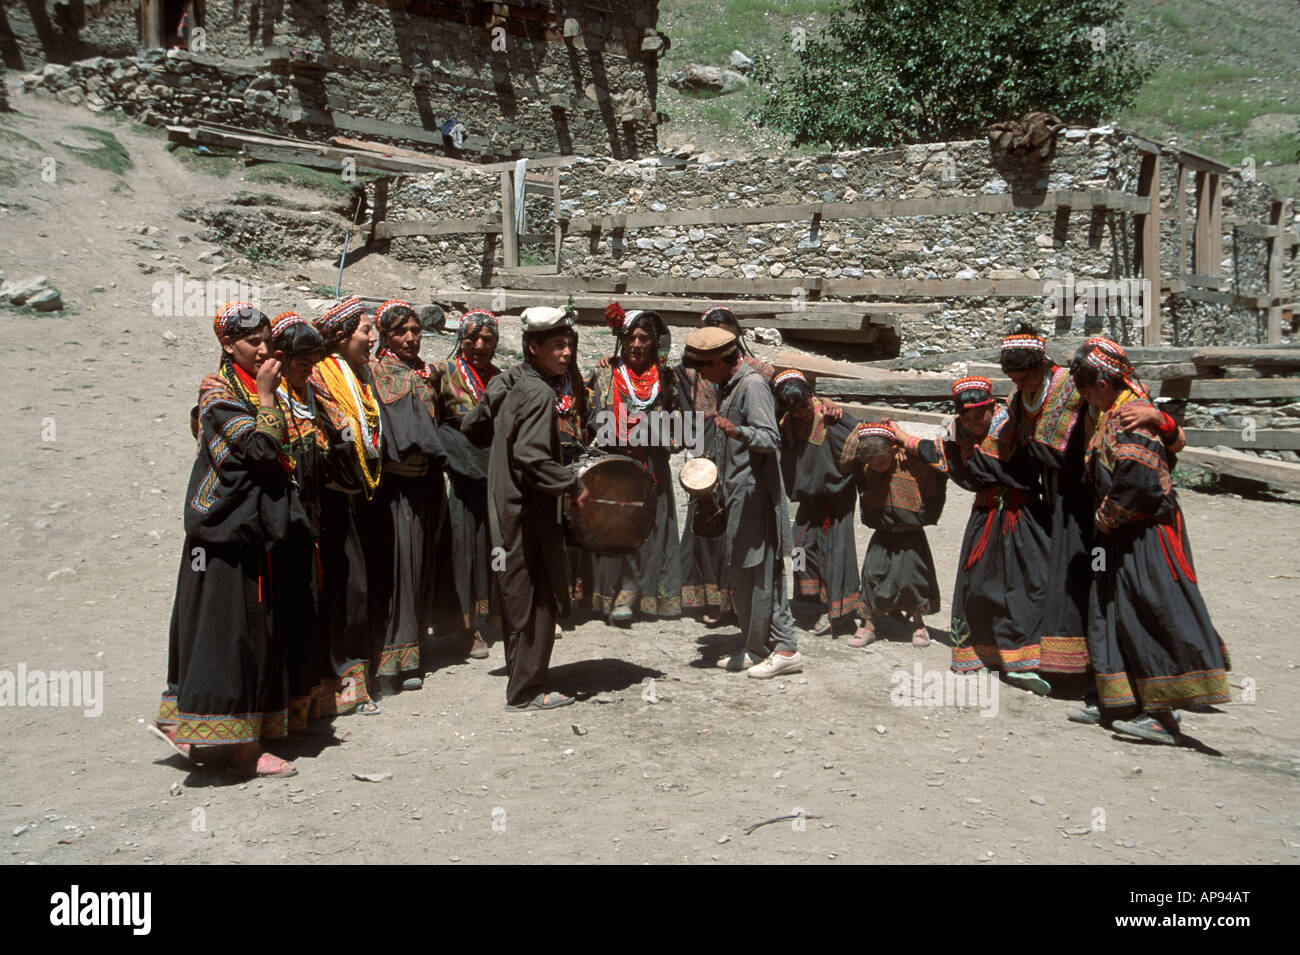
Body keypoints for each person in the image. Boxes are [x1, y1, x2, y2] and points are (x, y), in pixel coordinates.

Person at [151, 302, 307, 777]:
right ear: (227, 345)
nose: (262, 349)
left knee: (251, 631)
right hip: (224, 535)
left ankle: (222, 733)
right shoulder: (219, 392)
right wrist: (265, 399)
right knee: (231, 634)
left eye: (266, 340)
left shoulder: (255, 387)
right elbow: (261, 452)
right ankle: (238, 747)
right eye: (251, 342)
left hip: (252, 533)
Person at [1000, 324, 1185, 676]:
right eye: (1015, 378)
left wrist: (1159, 416)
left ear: (1042, 364)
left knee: (1099, 575)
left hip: (1099, 504)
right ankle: (1081, 663)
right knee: (1074, 574)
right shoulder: (1027, 398)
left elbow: (1162, 444)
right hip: (1065, 497)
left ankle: (1113, 669)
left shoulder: (1092, 392)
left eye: (1025, 377)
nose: (1020, 384)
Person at [1069, 338, 1229, 744]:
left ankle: (1163, 713)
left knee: (1149, 607)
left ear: (1105, 381)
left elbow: (1140, 485)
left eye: (1088, 389)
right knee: (1107, 608)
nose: (1086, 397)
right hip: (1111, 538)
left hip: (1142, 534)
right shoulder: (1113, 408)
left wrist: (1107, 519)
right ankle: (1118, 699)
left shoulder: (1133, 418)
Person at [462, 306, 591, 710]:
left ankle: (524, 681)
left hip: (503, 505)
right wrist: (570, 484)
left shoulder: (508, 380)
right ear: (533, 348)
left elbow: (472, 426)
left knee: (516, 593)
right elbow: (532, 456)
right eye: (557, 347)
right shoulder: (538, 392)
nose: (567, 354)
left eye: (568, 345)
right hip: (527, 512)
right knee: (536, 598)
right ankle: (527, 690)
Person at [889, 377, 1053, 693]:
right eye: (967, 417)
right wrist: (901, 437)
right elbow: (936, 452)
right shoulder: (961, 439)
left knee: (1027, 584)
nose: (975, 423)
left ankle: (1026, 663)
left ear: (993, 407)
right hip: (986, 518)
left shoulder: (1014, 429)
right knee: (979, 586)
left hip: (1024, 519)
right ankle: (981, 654)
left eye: (981, 415)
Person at [685, 326, 801, 679]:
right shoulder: (728, 387)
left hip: (755, 499)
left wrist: (739, 432)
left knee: (763, 574)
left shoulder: (752, 386)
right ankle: (756, 647)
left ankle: (786, 648)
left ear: (721, 360)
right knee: (743, 574)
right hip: (737, 496)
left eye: (705, 367)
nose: (702, 375)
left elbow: (769, 437)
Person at [675, 307, 775, 625]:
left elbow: (782, 411)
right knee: (709, 522)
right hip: (707, 446)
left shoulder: (760, 375)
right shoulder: (693, 371)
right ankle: (713, 600)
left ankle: (740, 606)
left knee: (741, 530)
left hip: (742, 455)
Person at [584, 304, 683, 624]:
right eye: (630, 338)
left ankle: (648, 594)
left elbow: (681, 428)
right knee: (616, 525)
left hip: (651, 466)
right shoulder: (603, 373)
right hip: (615, 466)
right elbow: (587, 419)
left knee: (651, 525)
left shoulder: (667, 379)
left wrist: (661, 434)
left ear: (655, 343)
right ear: (621, 340)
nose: (637, 345)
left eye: (644, 338)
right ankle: (619, 592)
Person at [310, 296, 383, 715]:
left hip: (358, 498)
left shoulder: (359, 375)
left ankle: (352, 683)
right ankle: (332, 687)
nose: (372, 338)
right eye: (365, 330)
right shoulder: (321, 376)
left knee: (356, 589)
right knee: (341, 590)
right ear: (340, 337)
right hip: (330, 503)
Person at [369, 300, 446, 695]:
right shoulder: (373, 374)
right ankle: (389, 657)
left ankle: (413, 652)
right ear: (385, 334)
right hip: (393, 491)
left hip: (426, 487)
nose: (411, 338)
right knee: (398, 570)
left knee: (419, 568)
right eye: (401, 331)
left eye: (415, 330)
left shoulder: (428, 373)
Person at [429, 309, 503, 660]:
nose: (479, 345)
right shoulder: (442, 373)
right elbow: (434, 420)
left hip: (491, 471)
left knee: (493, 546)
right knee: (461, 546)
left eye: (487, 339)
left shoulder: (501, 378)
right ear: (461, 338)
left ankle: (496, 615)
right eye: (472, 338)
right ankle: (465, 627)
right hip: (457, 473)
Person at [269, 312, 330, 733]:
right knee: (288, 609)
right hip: (282, 523)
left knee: (311, 607)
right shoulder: (265, 399)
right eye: (303, 362)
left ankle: (304, 709)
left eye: (313, 362)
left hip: (313, 518)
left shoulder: (312, 394)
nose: (310, 369)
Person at [841, 421, 946, 648]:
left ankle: (918, 624)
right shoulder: (866, 467)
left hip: (911, 534)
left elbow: (942, 459)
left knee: (915, 578)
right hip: (884, 533)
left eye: (883, 462)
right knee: (872, 577)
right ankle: (868, 626)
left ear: (894, 450)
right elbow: (845, 458)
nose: (879, 468)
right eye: (873, 464)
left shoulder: (912, 462)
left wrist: (902, 438)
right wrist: (864, 428)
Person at [773, 370, 860, 637]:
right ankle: (812, 596)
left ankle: (838, 613)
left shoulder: (832, 417)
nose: (801, 412)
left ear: (811, 397)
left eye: (804, 405)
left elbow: (859, 440)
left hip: (836, 498)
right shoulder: (786, 423)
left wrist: (827, 402)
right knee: (800, 548)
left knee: (835, 552)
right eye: (794, 409)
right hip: (809, 498)